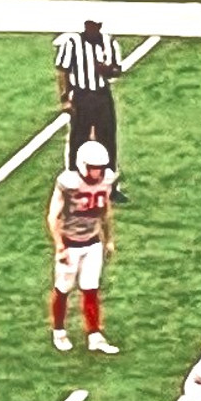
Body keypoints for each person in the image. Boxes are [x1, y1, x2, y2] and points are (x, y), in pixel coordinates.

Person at [47, 139, 118, 355]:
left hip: (93, 242)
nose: (98, 172)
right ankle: (59, 331)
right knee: (63, 288)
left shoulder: (106, 180)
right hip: (70, 243)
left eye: (100, 167)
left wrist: (109, 238)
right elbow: (53, 216)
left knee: (91, 289)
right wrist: (60, 246)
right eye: (94, 167)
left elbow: (106, 211)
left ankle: (94, 335)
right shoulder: (69, 183)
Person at [53, 21, 127, 198]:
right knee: (78, 138)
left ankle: (110, 186)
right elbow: (63, 71)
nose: (91, 28)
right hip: (81, 95)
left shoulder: (109, 42)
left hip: (102, 95)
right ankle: (73, 182)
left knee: (107, 138)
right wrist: (65, 97)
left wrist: (106, 70)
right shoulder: (72, 43)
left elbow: (117, 70)